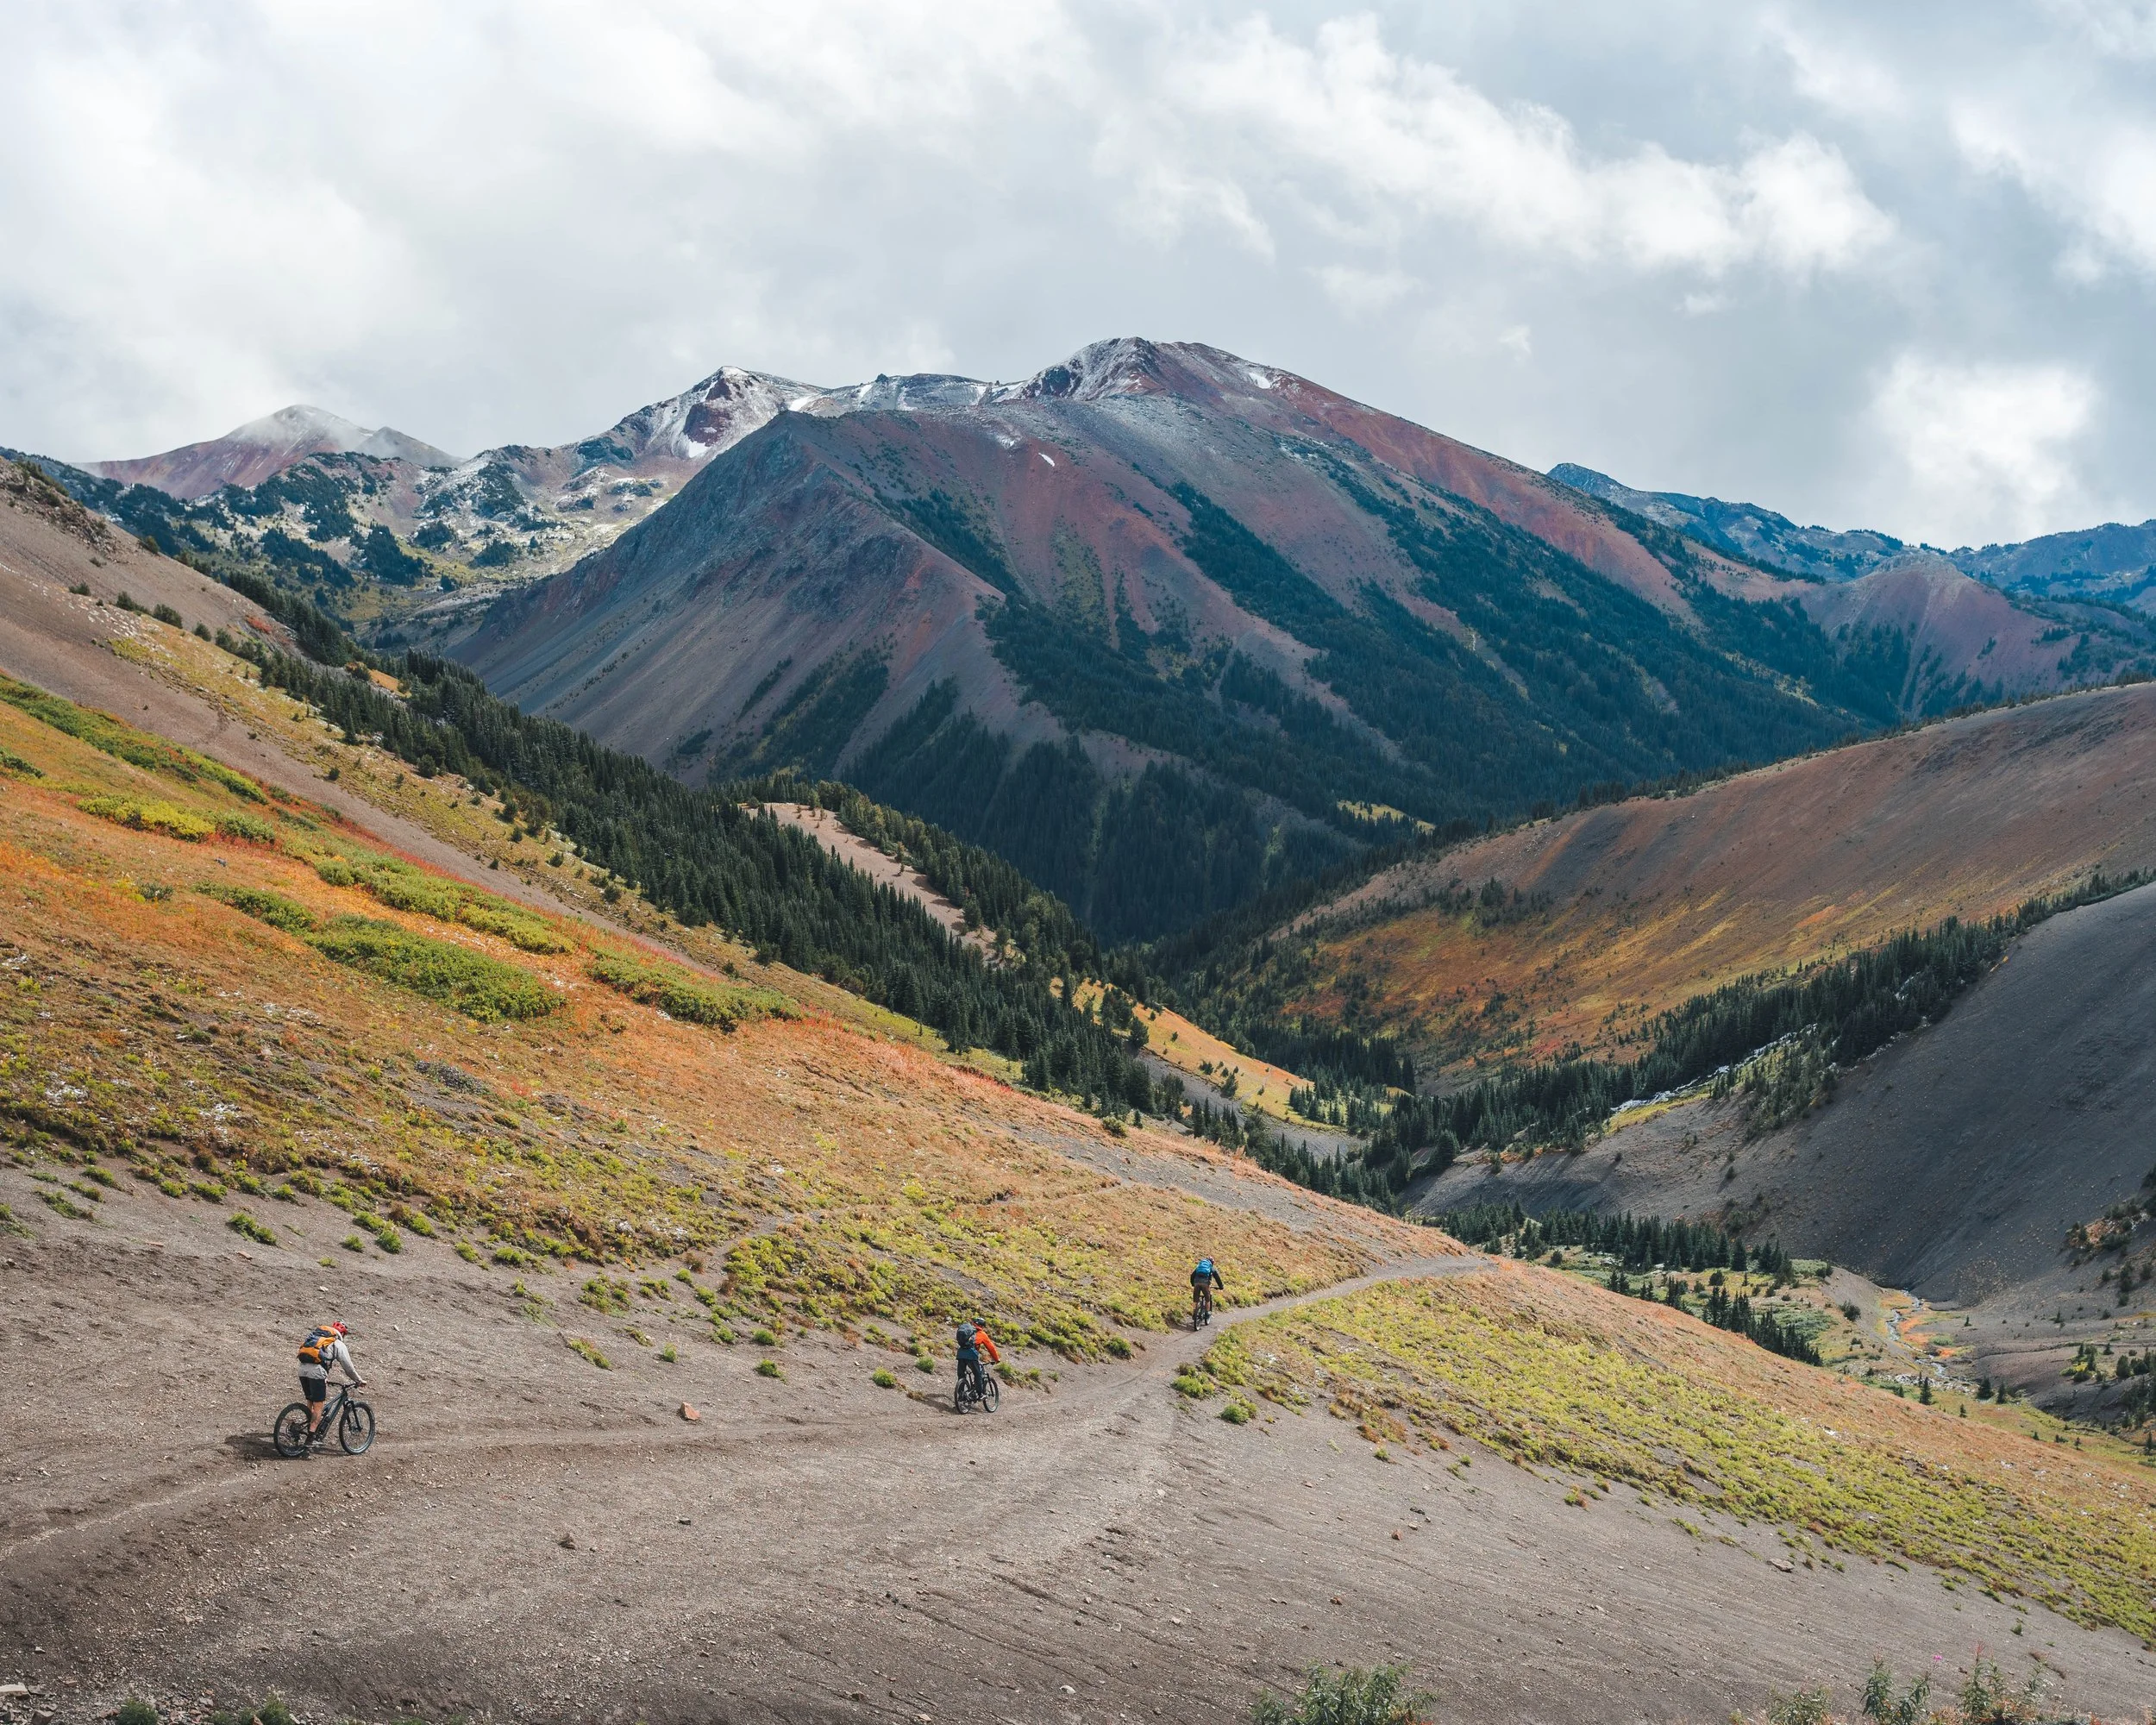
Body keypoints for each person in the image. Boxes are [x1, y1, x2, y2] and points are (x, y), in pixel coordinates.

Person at [297, 1321, 365, 1448]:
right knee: (319, 1405)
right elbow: (348, 1367)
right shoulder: (337, 1343)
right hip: (316, 1372)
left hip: (302, 1369)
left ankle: (306, 1429)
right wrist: (358, 1380)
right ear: (342, 1334)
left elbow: (320, 1358)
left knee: (311, 1400)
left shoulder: (317, 1338)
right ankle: (310, 1439)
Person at [954, 1318, 1000, 1403]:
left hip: (960, 1354)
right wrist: (996, 1359)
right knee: (978, 1374)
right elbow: (991, 1347)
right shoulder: (982, 1334)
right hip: (971, 1355)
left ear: (974, 1323)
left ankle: (961, 1396)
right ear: (982, 1326)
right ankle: (980, 1394)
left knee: (961, 1376)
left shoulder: (967, 1331)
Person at [1191, 1258, 1225, 1326]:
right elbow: (1217, 1278)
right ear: (1212, 1263)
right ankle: (1207, 1313)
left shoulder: (1199, 1267)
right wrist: (1221, 1287)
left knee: (1195, 1299)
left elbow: (1192, 1275)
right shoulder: (1212, 1268)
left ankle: (1195, 1313)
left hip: (1196, 1283)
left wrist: (1193, 1284)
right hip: (1205, 1284)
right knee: (1207, 1298)